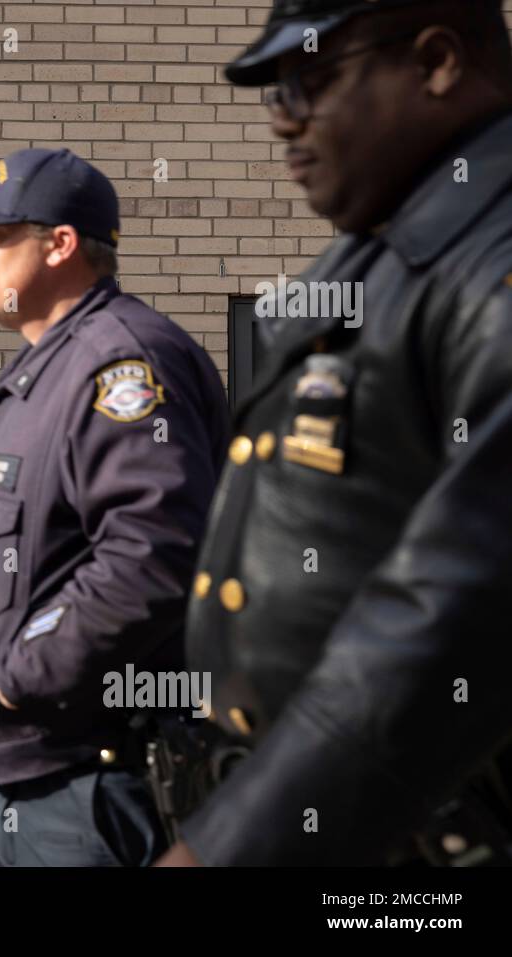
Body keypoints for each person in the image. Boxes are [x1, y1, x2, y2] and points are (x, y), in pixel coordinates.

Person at [156, 0, 512, 866]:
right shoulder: (378, 255)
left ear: (436, 62)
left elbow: (461, 605)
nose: (282, 119)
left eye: (308, 82)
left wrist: (232, 847)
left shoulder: (491, 264)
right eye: (273, 91)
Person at [0, 148, 231, 866]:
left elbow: (152, 552)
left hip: (88, 791)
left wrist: (18, 674)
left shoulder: (121, 362)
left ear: (60, 244)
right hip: (21, 784)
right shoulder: (46, 370)